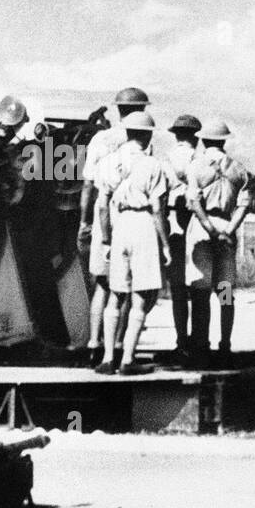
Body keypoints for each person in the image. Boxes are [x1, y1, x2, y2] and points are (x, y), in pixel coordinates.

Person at [95, 111, 171, 375]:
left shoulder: (107, 162)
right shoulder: (153, 165)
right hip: (144, 226)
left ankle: (107, 358)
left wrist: (105, 240)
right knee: (140, 298)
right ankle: (128, 360)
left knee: (115, 295)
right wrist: (165, 244)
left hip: (119, 227)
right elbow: (158, 208)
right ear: (148, 134)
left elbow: (102, 207)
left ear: (126, 132)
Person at [79, 87, 150, 363]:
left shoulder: (100, 138)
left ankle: (94, 344)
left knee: (102, 284)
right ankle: (119, 345)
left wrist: (85, 221)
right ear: (141, 110)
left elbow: (88, 184)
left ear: (118, 109)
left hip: (102, 213)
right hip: (132, 218)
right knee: (128, 286)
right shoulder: (142, 139)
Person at [185, 118, 251, 365]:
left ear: (203, 139)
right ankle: (225, 343)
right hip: (227, 229)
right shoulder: (239, 168)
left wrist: (210, 228)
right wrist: (228, 230)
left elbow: (194, 202)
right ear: (224, 140)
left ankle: (201, 344)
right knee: (225, 292)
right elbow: (244, 205)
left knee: (200, 292)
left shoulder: (196, 166)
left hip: (204, 229)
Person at [164, 114, 201, 361]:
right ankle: (203, 339)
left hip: (174, 228)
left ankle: (181, 340)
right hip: (198, 228)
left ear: (176, 135)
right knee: (202, 289)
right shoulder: (200, 159)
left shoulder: (165, 159)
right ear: (195, 137)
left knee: (178, 290)